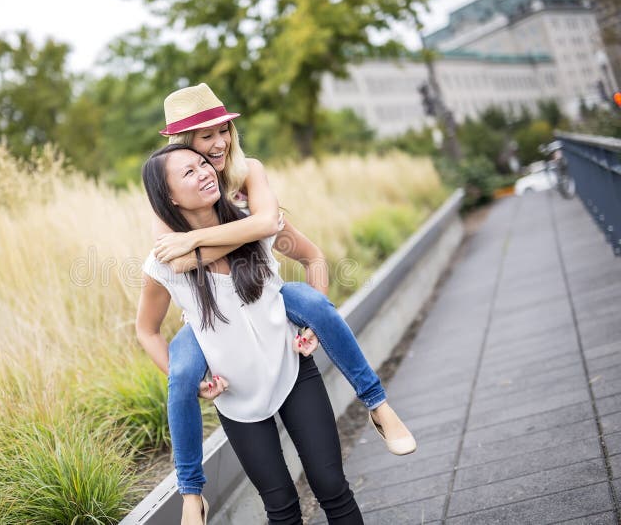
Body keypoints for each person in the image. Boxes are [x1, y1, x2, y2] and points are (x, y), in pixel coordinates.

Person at [150, 83, 416, 523]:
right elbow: (176, 264)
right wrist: (251, 229)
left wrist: (204, 239)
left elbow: (295, 244)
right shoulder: (168, 200)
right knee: (180, 374)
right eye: (205, 136)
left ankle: (378, 404)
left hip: (276, 331)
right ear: (182, 145)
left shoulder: (248, 174)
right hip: (218, 339)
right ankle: (191, 493)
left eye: (223, 131)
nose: (219, 143)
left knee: (308, 302)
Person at [136, 144, 365, 524]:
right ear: (169, 197)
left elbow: (313, 257)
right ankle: (192, 494)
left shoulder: (258, 224)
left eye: (203, 164)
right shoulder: (164, 265)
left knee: (332, 487)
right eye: (188, 173)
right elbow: (147, 330)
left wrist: (313, 321)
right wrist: (193, 383)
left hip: (294, 373)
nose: (205, 172)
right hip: (237, 398)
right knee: (281, 509)